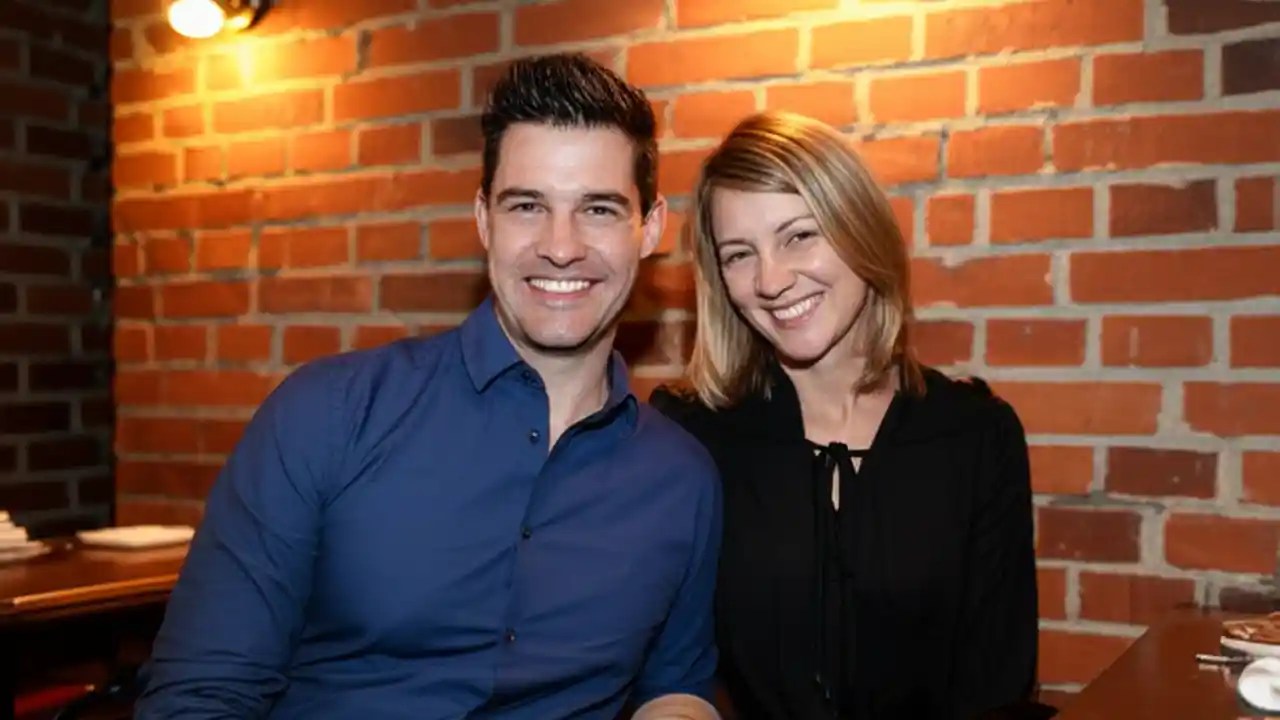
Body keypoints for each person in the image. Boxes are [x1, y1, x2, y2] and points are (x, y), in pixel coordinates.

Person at [134, 53, 723, 720]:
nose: (561, 246)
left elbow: (676, 685)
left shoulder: (682, 479)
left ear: (648, 228)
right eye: (527, 206)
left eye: (598, 209)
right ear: (483, 220)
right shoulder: (328, 415)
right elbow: (202, 695)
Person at [650, 111, 1041, 720]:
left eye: (799, 236)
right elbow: (665, 669)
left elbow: (999, 689)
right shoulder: (689, 435)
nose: (771, 280)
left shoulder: (975, 436)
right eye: (738, 254)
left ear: (859, 228)